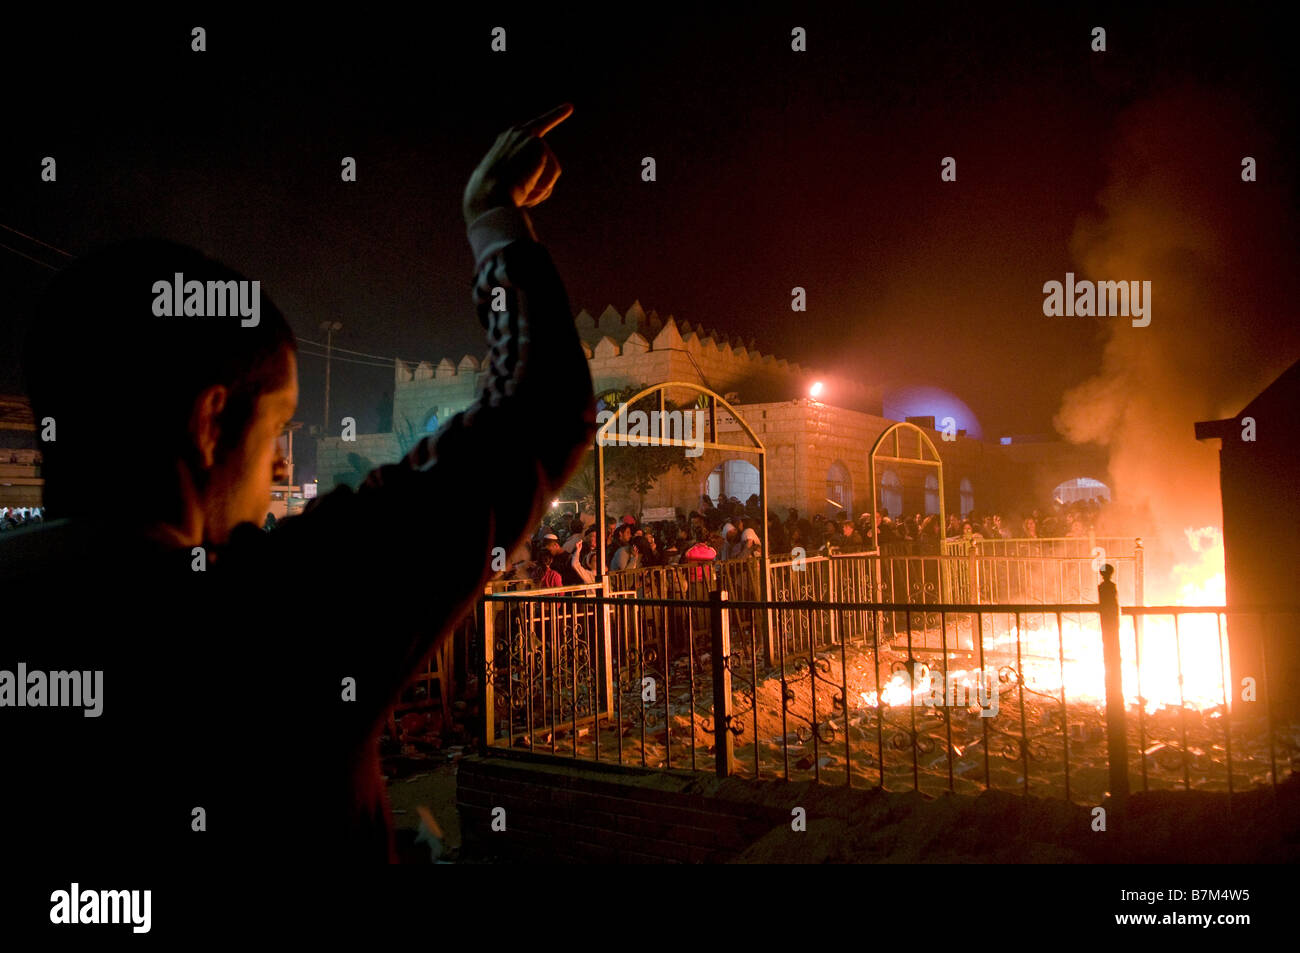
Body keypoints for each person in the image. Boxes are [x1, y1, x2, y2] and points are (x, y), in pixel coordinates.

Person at [0, 105, 593, 874]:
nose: (283, 470)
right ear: (210, 422)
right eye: (277, 431)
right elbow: (540, 409)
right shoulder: (268, 611)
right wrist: (492, 218)